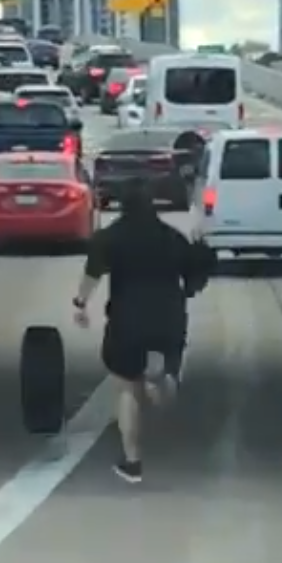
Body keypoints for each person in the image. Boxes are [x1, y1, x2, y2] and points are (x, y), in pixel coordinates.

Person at [72, 179, 213, 483]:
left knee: (127, 388)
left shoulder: (110, 237)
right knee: (162, 378)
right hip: (169, 318)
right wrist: (200, 250)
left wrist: (80, 304)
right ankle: (165, 380)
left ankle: (132, 462)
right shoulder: (171, 237)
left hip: (128, 319)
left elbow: (92, 273)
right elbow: (195, 278)